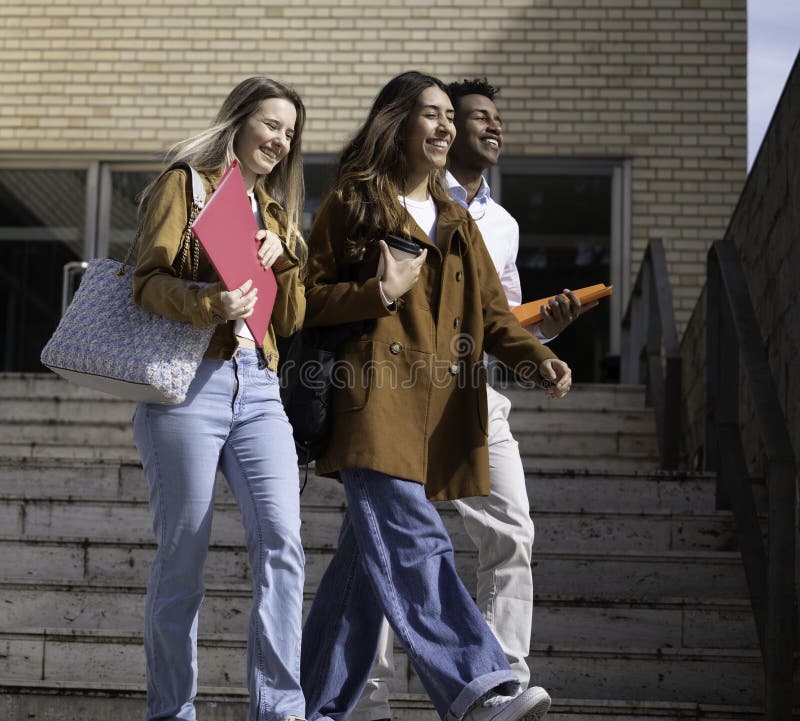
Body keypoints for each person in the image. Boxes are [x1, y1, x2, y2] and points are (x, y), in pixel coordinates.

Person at [299, 71, 573, 721]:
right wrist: (378, 291)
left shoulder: (457, 220)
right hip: (370, 403)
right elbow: (304, 301)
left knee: (362, 574)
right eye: (433, 113)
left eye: (452, 115)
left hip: (435, 411)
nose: (447, 126)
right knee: (421, 542)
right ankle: (477, 685)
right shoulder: (355, 200)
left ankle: (311, 707)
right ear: (398, 122)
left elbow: (493, 314)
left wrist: (538, 360)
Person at [131, 76, 308, 721]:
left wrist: (282, 256)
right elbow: (145, 282)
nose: (281, 142)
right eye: (270, 125)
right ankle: (172, 712)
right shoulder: (187, 184)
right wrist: (213, 301)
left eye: (290, 133)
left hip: (258, 386)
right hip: (189, 389)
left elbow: (288, 320)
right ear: (238, 121)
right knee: (183, 556)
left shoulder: (275, 212)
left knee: (284, 543)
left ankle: (281, 709)